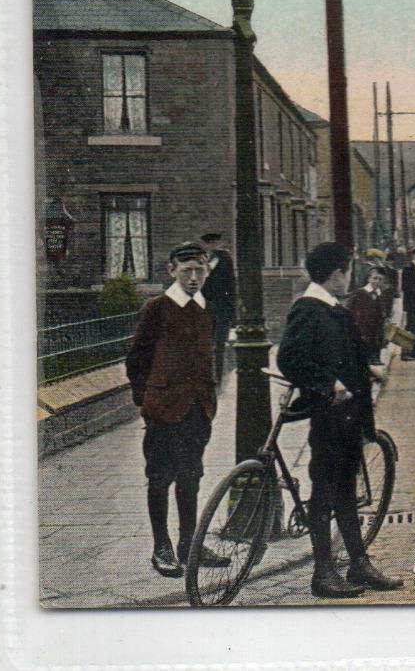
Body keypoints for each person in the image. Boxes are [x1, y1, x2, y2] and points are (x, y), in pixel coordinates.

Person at [277, 242, 401, 598]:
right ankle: (323, 572)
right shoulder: (308, 308)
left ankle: (358, 563)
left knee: (346, 491)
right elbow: (291, 359)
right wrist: (328, 384)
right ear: (336, 275)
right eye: (347, 271)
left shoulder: (333, 308)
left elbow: (343, 354)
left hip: (348, 418)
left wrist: (368, 370)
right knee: (324, 494)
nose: (349, 278)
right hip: (329, 417)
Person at [126, 242, 230, 578]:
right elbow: (136, 359)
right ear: (172, 270)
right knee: (160, 477)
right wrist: (149, 399)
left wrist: (209, 398)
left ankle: (189, 544)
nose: (194, 277)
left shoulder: (206, 309)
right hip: (164, 409)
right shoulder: (156, 308)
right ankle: (162, 547)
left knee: (191, 476)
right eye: (187, 271)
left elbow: (211, 356)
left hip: (197, 409)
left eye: (200, 270)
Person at [198, 232, 236, 381]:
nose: (212, 245)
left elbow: (230, 285)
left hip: (221, 308)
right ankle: (210, 375)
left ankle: (218, 375)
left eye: (214, 242)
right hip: (208, 307)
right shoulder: (205, 260)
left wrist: (231, 309)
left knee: (219, 343)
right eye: (209, 243)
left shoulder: (223, 258)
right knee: (208, 343)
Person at [348, 266, 388, 363]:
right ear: (369, 278)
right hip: (362, 323)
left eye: (380, 279)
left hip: (376, 323)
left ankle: (376, 358)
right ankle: (367, 359)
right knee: (365, 340)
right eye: (375, 278)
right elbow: (351, 308)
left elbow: (382, 309)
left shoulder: (380, 293)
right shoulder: (360, 293)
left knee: (376, 339)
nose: (377, 281)